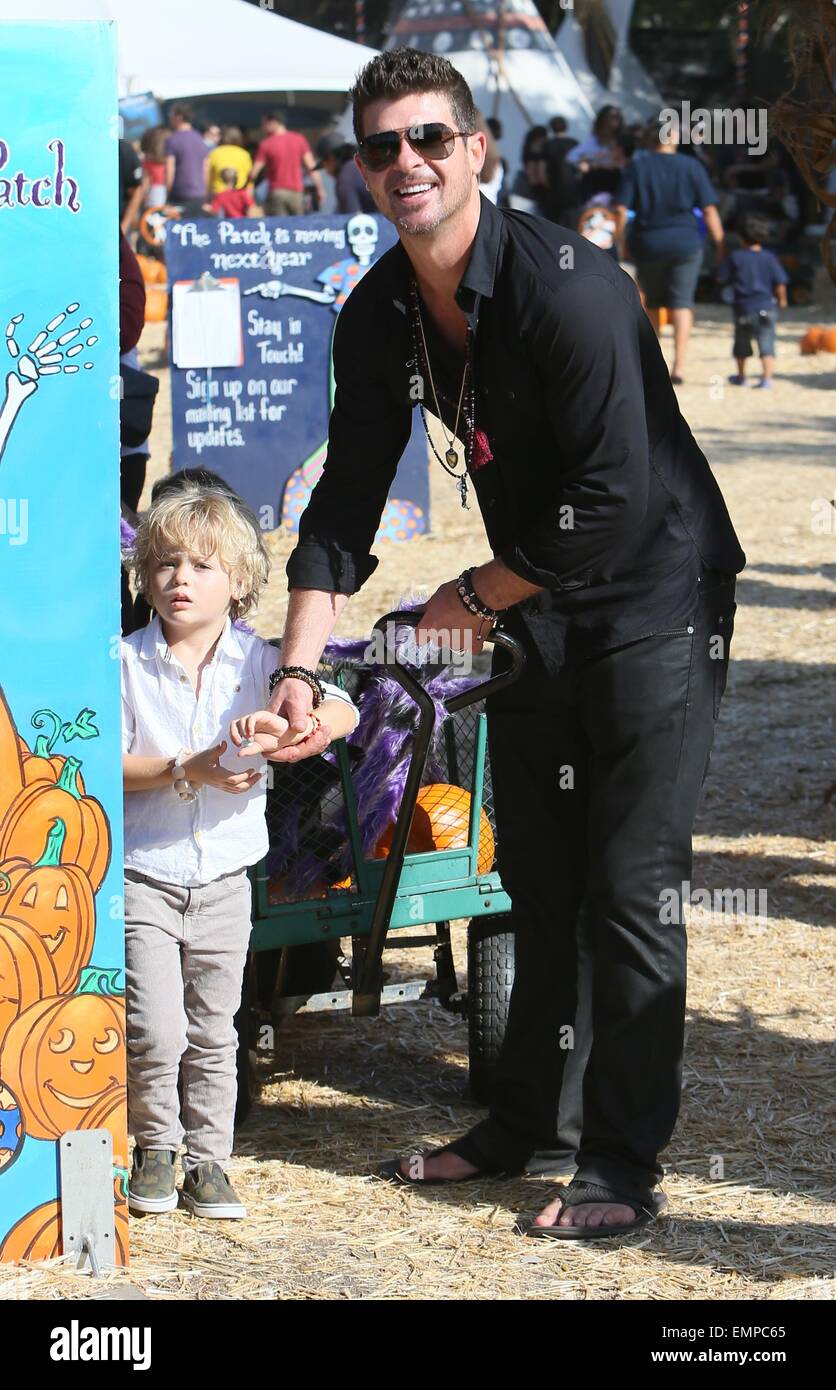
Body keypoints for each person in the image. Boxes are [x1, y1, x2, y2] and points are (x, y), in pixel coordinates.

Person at [271, 46, 745, 1241]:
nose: (406, 164)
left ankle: (621, 1169)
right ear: (360, 168)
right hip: (536, 605)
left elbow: (617, 495)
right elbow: (344, 503)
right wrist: (297, 667)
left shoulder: (569, 287)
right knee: (534, 879)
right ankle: (521, 1117)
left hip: (653, 597)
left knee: (629, 889)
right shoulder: (380, 314)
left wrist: (472, 596)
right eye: (381, 147)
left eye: (429, 138)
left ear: (477, 148)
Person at [122, 483, 359, 1219]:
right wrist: (187, 768)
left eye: (200, 565)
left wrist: (303, 723)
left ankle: (210, 1163)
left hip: (225, 880)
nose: (180, 579)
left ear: (240, 581)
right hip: (144, 875)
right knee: (153, 1027)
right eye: (164, 563)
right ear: (143, 576)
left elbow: (345, 706)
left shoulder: (261, 664)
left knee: (215, 1030)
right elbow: (100, 765)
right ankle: (154, 1148)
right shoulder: (121, 664)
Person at [613, 114, 726, 384]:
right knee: (682, 302)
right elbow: (709, 209)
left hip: (648, 242)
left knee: (652, 302)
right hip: (686, 242)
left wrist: (621, 241)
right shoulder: (692, 166)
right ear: (673, 137)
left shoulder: (638, 166)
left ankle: (655, 364)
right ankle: (680, 366)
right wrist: (721, 244)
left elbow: (619, 209)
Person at [717, 213, 788, 388]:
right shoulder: (769, 257)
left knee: (741, 344)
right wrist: (782, 300)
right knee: (767, 342)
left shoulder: (736, 257)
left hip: (743, 308)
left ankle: (741, 376)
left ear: (741, 237)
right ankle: (767, 378)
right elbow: (780, 282)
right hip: (766, 307)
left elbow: (721, 278)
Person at [251, 111, 324, 216]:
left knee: (279, 228)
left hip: (276, 193)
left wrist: (248, 190)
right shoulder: (299, 139)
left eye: (264, 124)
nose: (263, 128)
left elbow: (254, 172)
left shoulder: (266, 144)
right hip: (297, 193)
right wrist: (319, 188)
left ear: (273, 122)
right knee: (299, 228)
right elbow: (311, 167)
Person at [566, 105, 627, 204]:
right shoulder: (593, 141)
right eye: (609, 118)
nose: (611, 122)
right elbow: (572, 156)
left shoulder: (622, 143)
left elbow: (623, 166)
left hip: (614, 190)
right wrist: (584, 162)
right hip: (592, 190)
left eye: (616, 117)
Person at [164, 104, 209, 216]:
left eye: (171, 115)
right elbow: (206, 169)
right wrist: (205, 193)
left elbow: (170, 170)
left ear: (178, 117)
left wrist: (168, 194)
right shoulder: (200, 139)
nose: (170, 118)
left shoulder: (173, 140)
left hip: (179, 194)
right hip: (199, 194)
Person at [316, 131, 375, 214]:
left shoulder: (344, 180)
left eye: (324, 164)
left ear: (331, 158)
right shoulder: (359, 166)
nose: (326, 172)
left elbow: (355, 219)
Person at [542, 115, 579, 226]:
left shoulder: (548, 145)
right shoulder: (574, 143)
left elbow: (543, 170)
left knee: (553, 225)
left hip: (554, 189)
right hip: (572, 190)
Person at [206, 125, 253, 196]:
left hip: (218, 194)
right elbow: (249, 178)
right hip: (238, 196)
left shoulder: (214, 153)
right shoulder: (244, 154)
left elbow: (207, 176)